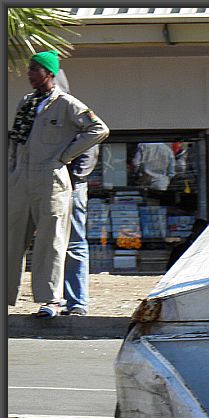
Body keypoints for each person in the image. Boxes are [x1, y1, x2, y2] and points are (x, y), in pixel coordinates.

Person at [8, 51, 109, 318]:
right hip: (21, 179)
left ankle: (51, 300)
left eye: (36, 69)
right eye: (30, 68)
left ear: (49, 73)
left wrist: (63, 157)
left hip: (51, 179)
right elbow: (16, 141)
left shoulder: (66, 104)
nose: (30, 74)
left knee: (51, 241)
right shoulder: (27, 103)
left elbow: (98, 129)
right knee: (11, 238)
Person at [62, 145, 100, 316]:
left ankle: (76, 301)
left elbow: (92, 140)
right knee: (54, 244)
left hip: (70, 184)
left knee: (74, 243)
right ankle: (55, 300)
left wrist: (75, 177)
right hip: (49, 182)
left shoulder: (80, 124)